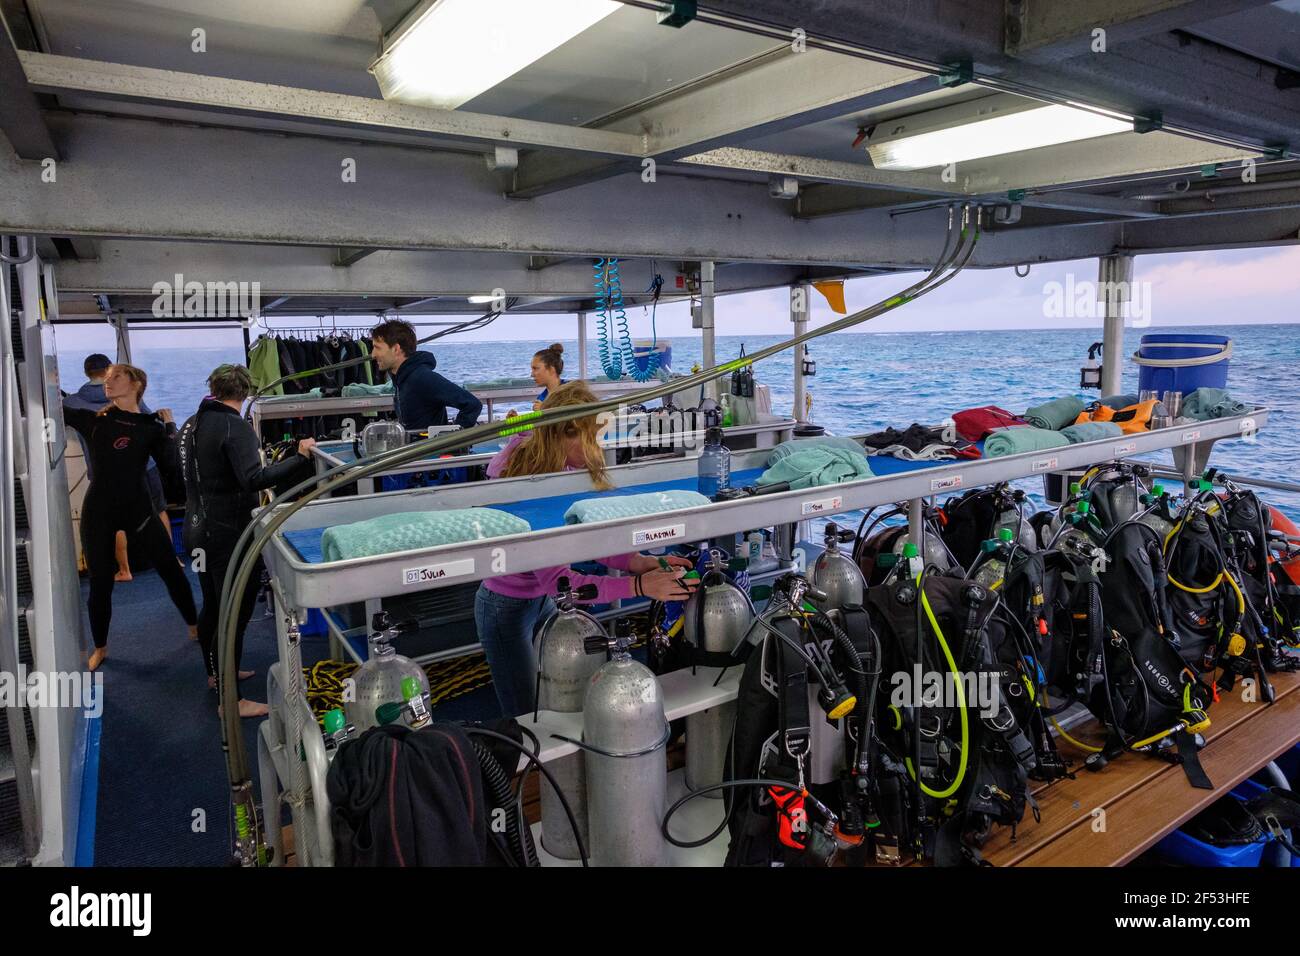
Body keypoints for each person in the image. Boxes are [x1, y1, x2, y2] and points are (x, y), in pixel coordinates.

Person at [476, 381, 696, 717]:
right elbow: (560, 582)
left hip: (541, 601)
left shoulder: (560, 469)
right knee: (524, 713)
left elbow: (584, 536)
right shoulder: (522, 481)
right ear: (566, 433)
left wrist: (640, 562)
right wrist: (638, 586)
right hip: (505, 606)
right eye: (591, 436)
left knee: (554, 696)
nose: (597, 445)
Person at [179, 365, 317, 719]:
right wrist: (299, 458)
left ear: (213, 387)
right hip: (226, 534)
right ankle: (231, 700)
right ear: (245, 393)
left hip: (195, 530)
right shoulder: (234, 426)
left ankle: (216, 675)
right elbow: (254, 479)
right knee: (234, 613)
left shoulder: (191, 424)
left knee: (212, 605)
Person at [62, 364, 197, 672]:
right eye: (106, 378)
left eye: (116, 377)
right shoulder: (93, 420)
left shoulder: (150, 426)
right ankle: (101, 647)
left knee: (171, 571)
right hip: (99, 510)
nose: (108, 382)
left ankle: (194, 626)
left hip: (138, 508)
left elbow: (172, 464)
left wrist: (171, 426)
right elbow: (51, 400)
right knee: (99, 583)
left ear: (136, 383)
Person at [64, 353, 170, 582]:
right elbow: (150, 420)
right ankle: (173, 559)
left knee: (115, 520)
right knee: (159, 509)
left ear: (86, 372)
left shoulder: (72, 401)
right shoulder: (128, 395)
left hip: (104, 472)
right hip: (144, 466)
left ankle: (124, 569)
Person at [369, 319, 482, 431]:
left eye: (377, 347)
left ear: (396, 349)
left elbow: (472, 404)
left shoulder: (422, 378)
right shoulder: (401, 379)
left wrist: (451, 439)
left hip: (434, 448)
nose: (373, 354)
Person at [530, 343, 567, 410]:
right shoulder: (541, 398)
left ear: (551, 369)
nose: (532, 374)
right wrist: (515, 420)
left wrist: (545, 409)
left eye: (535, 368)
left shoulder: (572, 392)